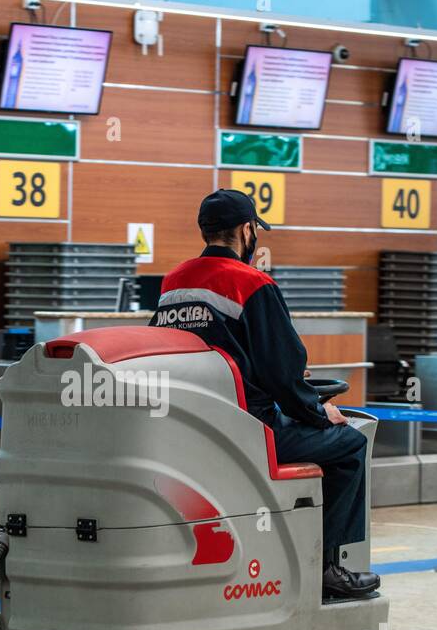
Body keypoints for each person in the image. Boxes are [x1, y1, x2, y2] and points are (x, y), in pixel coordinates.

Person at [150, 189, 379, 600]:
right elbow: (283, 378)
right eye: (254, 228)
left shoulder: (173, 283)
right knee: (350, 444)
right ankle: (327, 568)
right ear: (246, 230)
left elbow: (203, 351)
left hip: (190, 429)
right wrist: (319, 411)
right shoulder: (253, 283)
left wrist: (272, 371)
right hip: (250, 429)